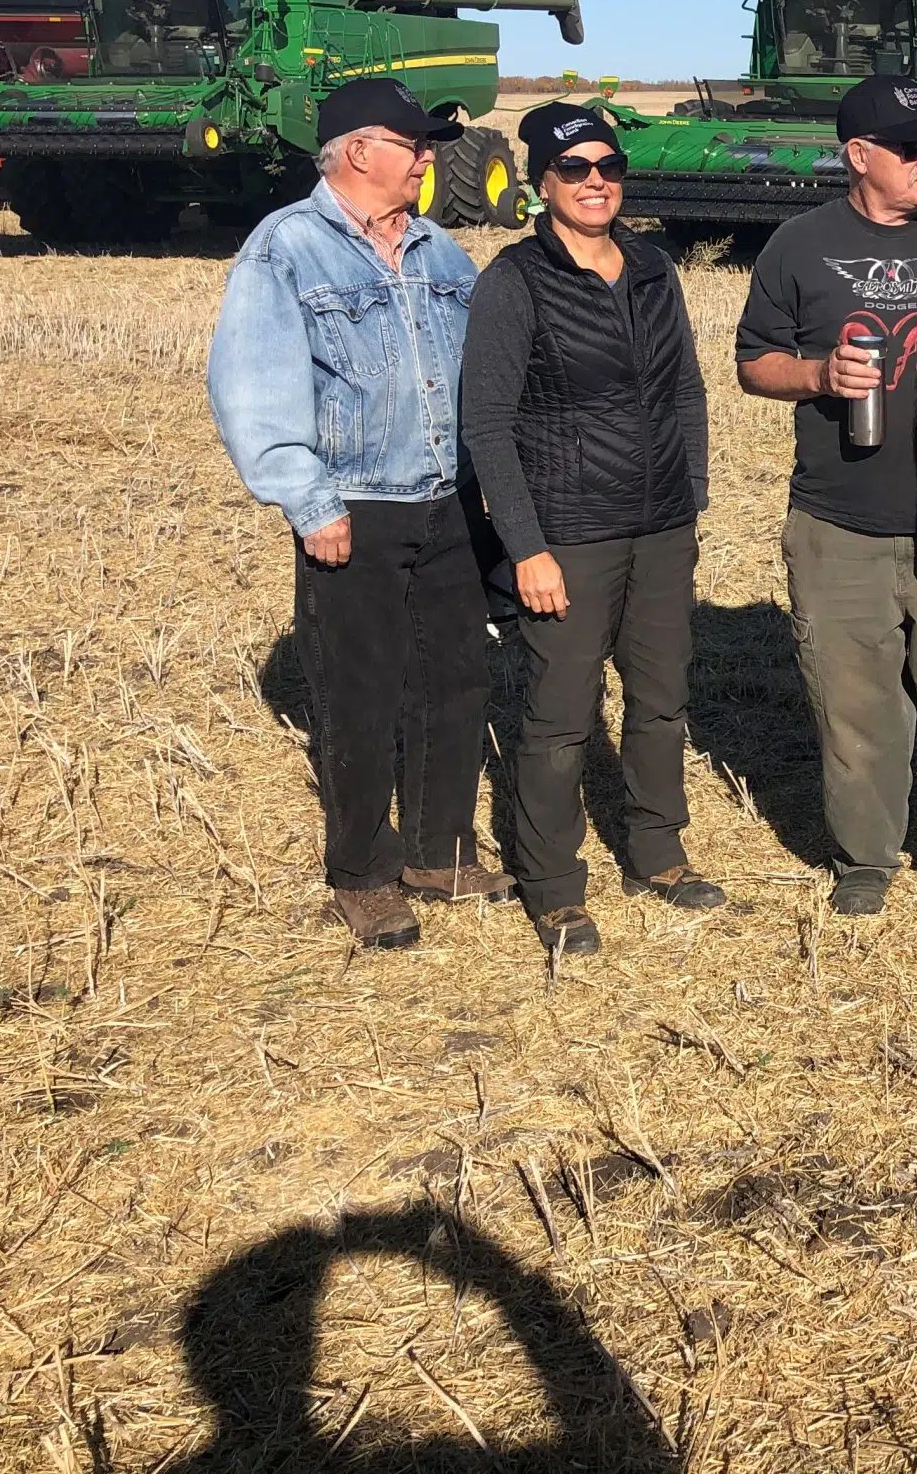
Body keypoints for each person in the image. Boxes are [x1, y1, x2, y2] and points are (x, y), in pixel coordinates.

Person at [207, 80, 512, 950]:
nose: (427, 158)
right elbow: (253, 388)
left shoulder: (441, 250)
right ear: (357, 151)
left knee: (456, 683)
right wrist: (309, 500)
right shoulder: (286, 249)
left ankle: (440, 853)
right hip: (356, 504)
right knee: (360, 693)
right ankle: (365, 874)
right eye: (413, 144)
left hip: (449, 498)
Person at [458, 103, 723, 957]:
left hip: (661, 526)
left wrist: (691, 492)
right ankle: (553, 886)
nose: (596, 182)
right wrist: (527, 547)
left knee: (662, 698)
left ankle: (657, 851)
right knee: (561, 716)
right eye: (575, 169)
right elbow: (487, 425)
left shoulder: (651, 267)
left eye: (609, 167)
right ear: (543, 184)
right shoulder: (516, 281)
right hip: (568, 532)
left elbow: (685, 388)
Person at [736, 76, 917, 917]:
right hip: (836, 518)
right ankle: (866, 857)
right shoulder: (799, 245)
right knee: (853, 701)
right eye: (910, 148)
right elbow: (753, 363)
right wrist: (817, 375)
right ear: (858, 155)